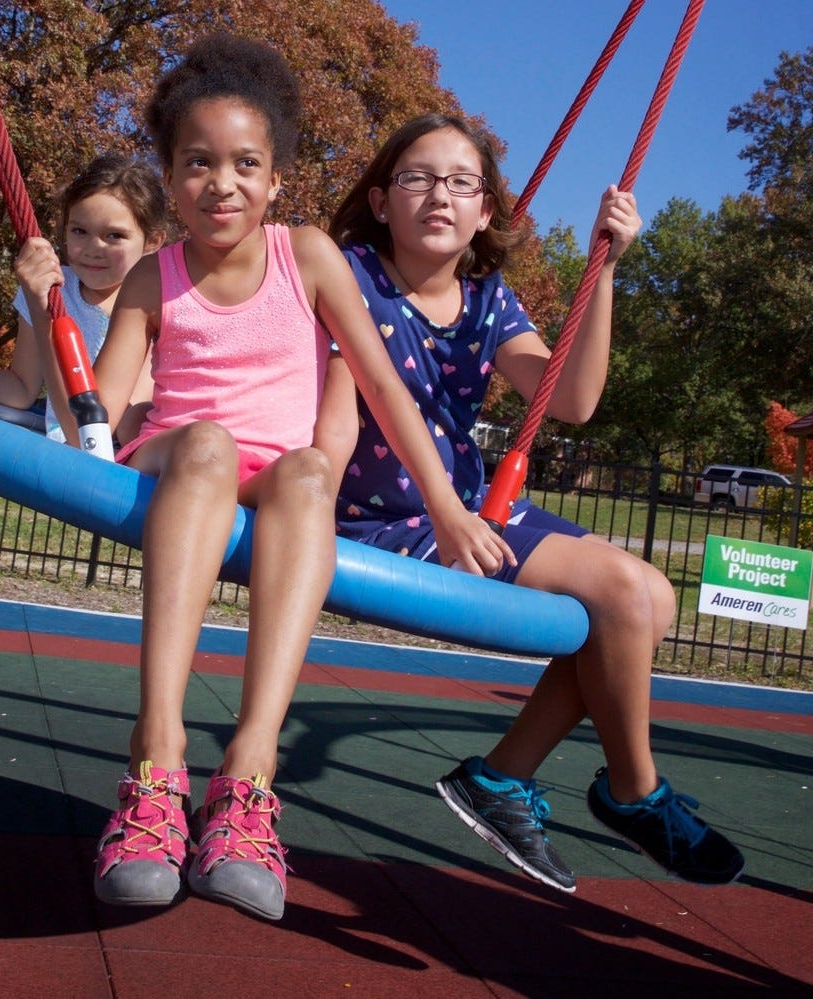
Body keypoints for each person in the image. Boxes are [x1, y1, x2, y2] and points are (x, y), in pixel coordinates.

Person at [77, 37, 513, 921]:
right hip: (180, 453)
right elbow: (100, 412)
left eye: (245, 164)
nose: (221, 183)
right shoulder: (150, 281)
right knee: (201, 439)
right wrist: (50, 313)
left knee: (311, 466)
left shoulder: (306, 255)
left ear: (275, 181)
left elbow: (384, 385)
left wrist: (446, 505)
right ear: (168, 177)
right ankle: (157, 760)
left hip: (275, 471)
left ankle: (247, 776)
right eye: (197, 164)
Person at [316, 113, 745, 891]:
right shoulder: (350, 278)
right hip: (388, 519)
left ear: (485, 211)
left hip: (469, 508)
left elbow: (573, 399)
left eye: (460, 182)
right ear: (380, 200)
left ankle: (505, 775)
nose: (438, 196)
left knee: (652, 596)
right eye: (416, 177)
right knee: (620, 592)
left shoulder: (486, 300)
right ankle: (633, 792)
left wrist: (603, 270)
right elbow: (345, 411)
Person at [0, 154, 165, 445]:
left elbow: (104, 429)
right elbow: (21, 388)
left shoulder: (155, 304)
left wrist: (39, 308)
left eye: (115, 235)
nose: (94, 248)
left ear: (153, 242)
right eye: (80, 231)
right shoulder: (53, 290)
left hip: (124, 451)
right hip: (66, 451)